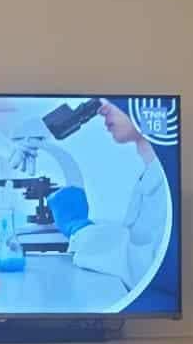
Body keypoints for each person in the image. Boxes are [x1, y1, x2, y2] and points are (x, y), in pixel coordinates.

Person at [61, 99, 170, 292]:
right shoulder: (150, 175)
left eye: (115, 102)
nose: (102, 110)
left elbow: (150, 268)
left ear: (148, 107)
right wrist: (92, 229)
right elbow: (136, 239)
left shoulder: (167, 183)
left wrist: (81, 230)